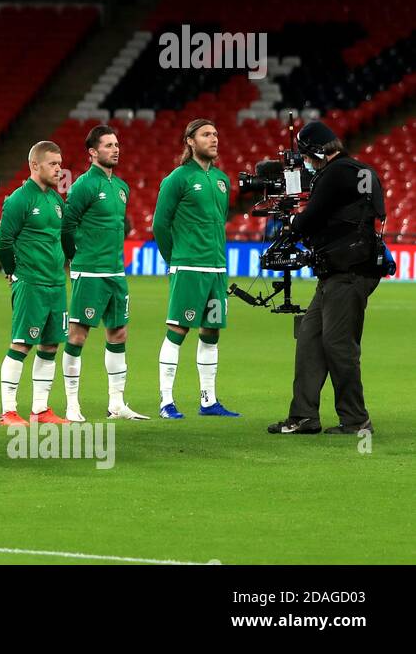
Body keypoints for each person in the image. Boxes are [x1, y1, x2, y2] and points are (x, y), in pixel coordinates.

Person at [269, 121, 387, 435]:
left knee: (338, 344)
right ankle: (305, 416)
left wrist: (289, 221)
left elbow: (310, 220)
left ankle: (355, 419)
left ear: (318, 150)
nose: (307, 161)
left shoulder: (335, 173)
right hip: (344, 271)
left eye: (308, 155)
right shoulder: (361, 171)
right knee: (310, 339)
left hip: (347, 273)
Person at [152, 118, 240, 419]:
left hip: (217, 268)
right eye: (206, 134)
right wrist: (173, 259)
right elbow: (160, 224)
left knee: (211, 331)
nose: (213, 139)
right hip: (189, 266)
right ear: (190, 141)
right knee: (178, 330)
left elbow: (220, 221)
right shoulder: (178, 178)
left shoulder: (221, 180)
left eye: (215, 134)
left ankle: (208, 401)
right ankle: (166, 401)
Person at [61, 124, 149, 421]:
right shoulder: (84, 185)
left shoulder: (121, 187)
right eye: (108, 145)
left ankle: (117, 403)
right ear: (92, 152)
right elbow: (66, 225)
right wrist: (76, 257)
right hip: (90, 272)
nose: (115, 149)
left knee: (119, 332)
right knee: (77, 336)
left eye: (116, 144)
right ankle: (72, 404)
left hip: (115, 272)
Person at [0, 141, 71, 426]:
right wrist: (13, 272)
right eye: (53, 163)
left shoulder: (55, 200)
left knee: (50, 345)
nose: (59, 168)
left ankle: (41, 410)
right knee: (22, 343)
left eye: (60, 163)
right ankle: (8, 411)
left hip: (55, 284)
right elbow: (3, 240)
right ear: (35, 165)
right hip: (31, 283)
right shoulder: (19, 199)